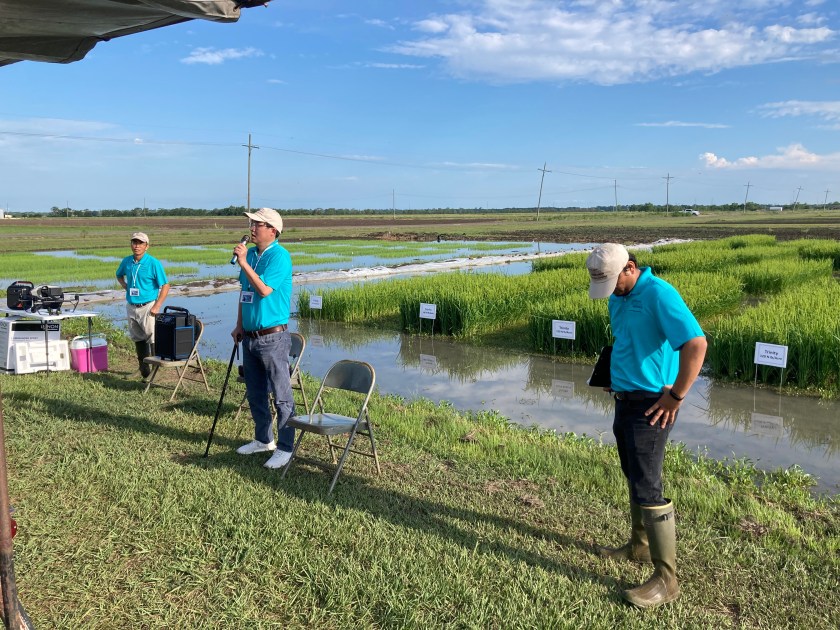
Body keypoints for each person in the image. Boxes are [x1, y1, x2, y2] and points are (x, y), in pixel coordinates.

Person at [586, 243, 707, 609]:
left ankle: (666, 579)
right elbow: (627, 342)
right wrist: (612, 375)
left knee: (648, 484)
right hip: (624, 399)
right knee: (633, 473)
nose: (612, 291)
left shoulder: (659, 294)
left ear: (630, 268)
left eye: (614, 283)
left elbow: (695, 344)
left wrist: (677, 395)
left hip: (653, 405)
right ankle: (638, 546)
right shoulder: (618, 297)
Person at [230, 207, 296, 470]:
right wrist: (239, 325)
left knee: (281, 395)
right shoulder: (254, 255)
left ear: (273, 230)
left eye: (258, 224)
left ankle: (285, 447)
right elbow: (244, 293)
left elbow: (265, 290)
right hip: (250, 336)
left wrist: (244, 262)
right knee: (255, 392)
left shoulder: (279, 257)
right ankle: (263, 439)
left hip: (272, 338)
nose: (252, 228)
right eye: (251, 223)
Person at [116, 232, 170, 378]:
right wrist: (126, 286)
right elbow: (119, 275)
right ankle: (143, 368)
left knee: (152, 338)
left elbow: (165, 285)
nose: (137, 246)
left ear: (147, 246)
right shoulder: (127, 261)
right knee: (137, 337)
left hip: (148, 306)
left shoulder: (153, 263)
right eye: (134, 242)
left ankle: (155, 371)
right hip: (132, 305)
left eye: (140, 243)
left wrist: (157, 305)